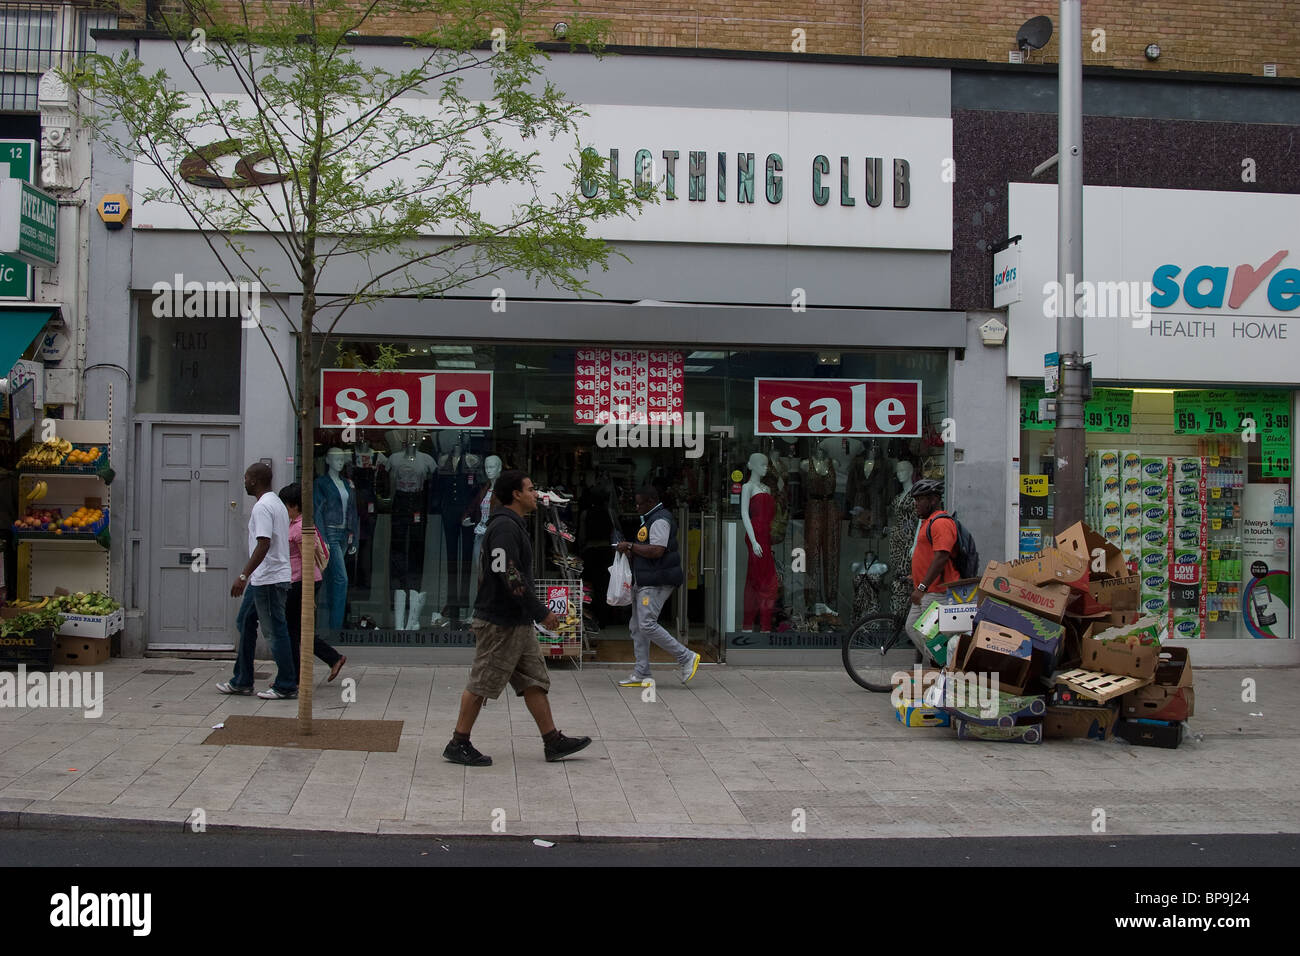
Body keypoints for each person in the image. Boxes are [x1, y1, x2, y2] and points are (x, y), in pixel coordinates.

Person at [444, 470, 592, 766]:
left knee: (534, 680)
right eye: (530, 488)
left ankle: (553, 741)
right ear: (516, 495)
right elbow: (507, 573)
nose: (535, 493)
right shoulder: (504, 528)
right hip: (500, 622)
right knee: (482, 682)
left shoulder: (513, 525)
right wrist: (541, 611)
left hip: (517, 622)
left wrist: (530, 614)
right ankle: (458, 743)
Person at [217, 463, 297, 699]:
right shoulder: (276, 504)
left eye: (246, 478)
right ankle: (242, 680)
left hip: (269, 579)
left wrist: (243, 575)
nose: (244, 482)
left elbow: (264, 543)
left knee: (275, 631)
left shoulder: (263, 507)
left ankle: (286, 684)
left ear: (254, 480)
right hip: (264, 578)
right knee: (244, 621)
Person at [615, 486, 700, 688]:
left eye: (640, 503)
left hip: (656, 580)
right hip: (646, 579)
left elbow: (657, 550)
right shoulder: (651, 518)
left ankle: (686, 656)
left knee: (646, 623)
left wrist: (630, 546)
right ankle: (642, 672)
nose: (636, 507)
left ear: (651, 501)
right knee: (637, 627)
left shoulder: (660, 520)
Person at [279, 483, 347, 684]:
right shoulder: (297, 523)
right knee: (298, 629)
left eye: (286, 505)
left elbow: (306, 559)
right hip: (301, 581)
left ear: (295, 506)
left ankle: (294, 677)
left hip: (302, 581)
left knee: (293, 630)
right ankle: (331, 658)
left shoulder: (300, 528)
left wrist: (308, 593)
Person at [905, 477, 960, 658]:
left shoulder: (941, 522)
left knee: (928, 633)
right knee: (913, 628)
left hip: (936, 592)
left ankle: (945, 670)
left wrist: (922, 586)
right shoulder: (927, 522)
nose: (916, 504)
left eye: (920, 499)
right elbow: (927, 555)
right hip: (924, 591)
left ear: (934, 499)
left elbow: (941, 557)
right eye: (915, 500)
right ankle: (939, 665)